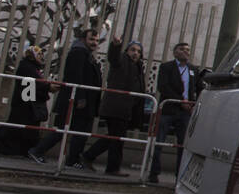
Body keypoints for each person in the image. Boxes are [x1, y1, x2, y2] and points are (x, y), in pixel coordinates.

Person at [29, 26, 102, 167]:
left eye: (97, 40)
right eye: (91, 39)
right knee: (69, 130)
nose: (94, 43)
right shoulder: (79, 53)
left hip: (81, 99)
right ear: (83, 39)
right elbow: (76, 77)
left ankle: (69, 159)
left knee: (73, 130)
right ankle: (42, 151)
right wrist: (80, 98)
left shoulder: (84, 53)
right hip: (76, 100)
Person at [82, 37, 146, 175]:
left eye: (138, 51)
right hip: (116, 106)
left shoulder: (138, 67)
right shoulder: (122, 61)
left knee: (114, 137)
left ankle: (91, 157)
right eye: (132, 50)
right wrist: (116, 46)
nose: (135, 53)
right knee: (116, 138)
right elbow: (114, 57)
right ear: (127, 51)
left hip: (126, 108)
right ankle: (109, 166)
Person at [0, 45, 55, 157]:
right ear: (32, 56)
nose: (42, 57)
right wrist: (48, 87)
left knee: (18, 128)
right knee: (16, 127)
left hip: (27, 102)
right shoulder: (28, 68)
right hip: (25, 104)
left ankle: (6, 147)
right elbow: (36, 83)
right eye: (39, 54)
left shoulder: (31, 67)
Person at [149, 42, 202, 183]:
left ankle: (179, 175)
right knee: (159, 141)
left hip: (185, 112)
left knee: (182, 144)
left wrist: (193, 103)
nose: (185, 51)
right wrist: (180, 101)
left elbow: (197, 88)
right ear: (175, 52)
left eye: (187, 49)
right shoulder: (166, 67)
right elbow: (163, 86)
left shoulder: (193, 70)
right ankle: (153, 172)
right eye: (182, 49)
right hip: (169, 108)